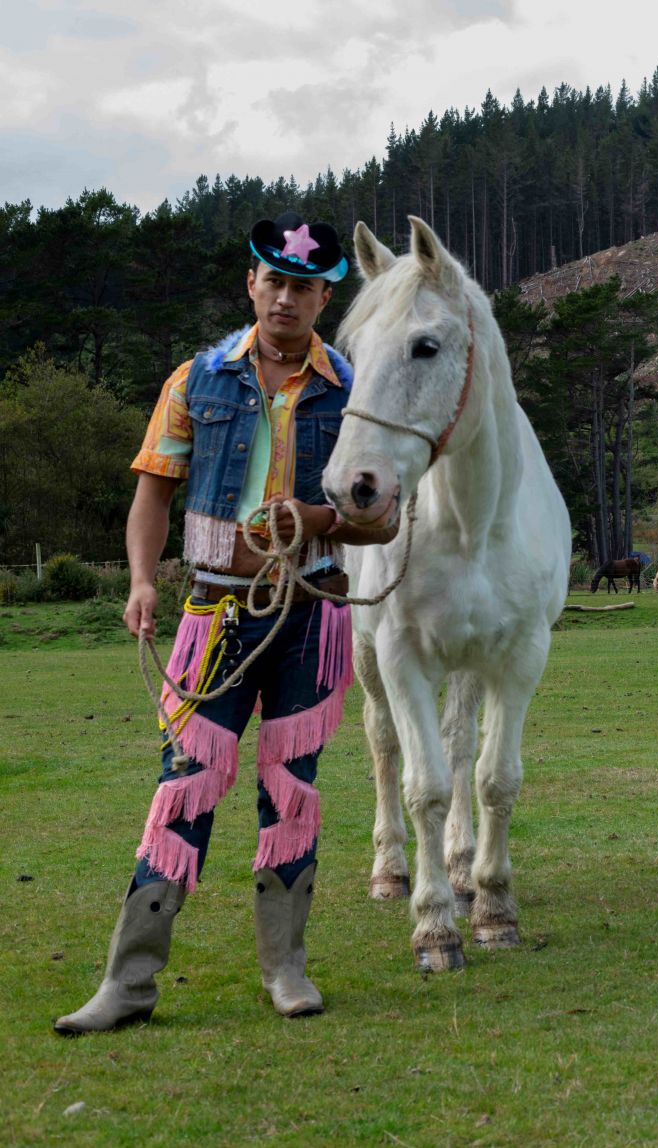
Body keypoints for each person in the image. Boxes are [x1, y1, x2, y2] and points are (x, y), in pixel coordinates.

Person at [55, 212, 397, 1035]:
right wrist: (143, 580)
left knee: (293, 790)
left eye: (303, 288)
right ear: (251, 283)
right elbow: (152, 495)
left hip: (309, 618)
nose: (286, 299)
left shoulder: (354, 391)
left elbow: (381, 518)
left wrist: (317, 519)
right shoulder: (194, 382)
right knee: (184, 784)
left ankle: (287, 970)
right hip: (213, 612)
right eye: (274, 282)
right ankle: (128, 983)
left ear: (323, 299)